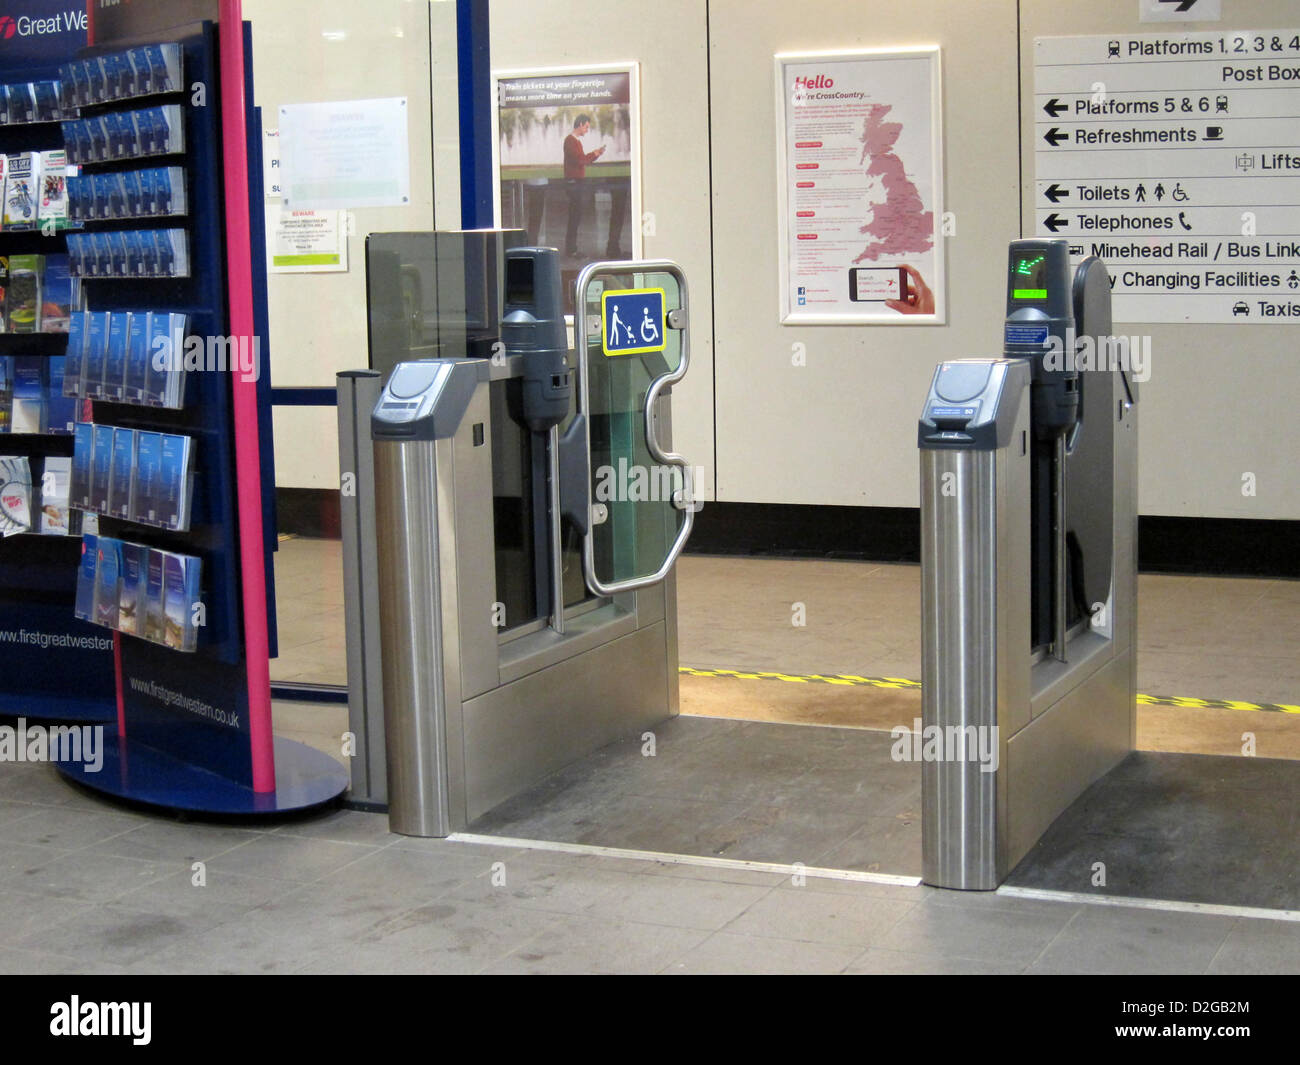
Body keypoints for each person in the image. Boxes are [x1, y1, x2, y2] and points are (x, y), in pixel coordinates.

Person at [563, 114, 605, 259]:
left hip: (576, 183)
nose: (587, 130)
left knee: (576, 216)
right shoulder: (570, 141)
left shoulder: (575, 142)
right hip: (574, 183)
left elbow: (581, 160)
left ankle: (572, 249)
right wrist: (594, 154)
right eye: (586, 126)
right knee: (574, 216)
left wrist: (595, 154)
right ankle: (571, 250)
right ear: (580, 124)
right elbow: (580, 161)